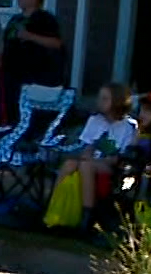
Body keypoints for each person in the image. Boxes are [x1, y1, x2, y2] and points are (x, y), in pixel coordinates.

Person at [54, 83, 135, 235]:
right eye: (100, 98)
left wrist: (94, 160)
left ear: (117, 101)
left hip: (113, 166)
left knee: (86, 166)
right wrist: (87, 154)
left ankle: (87, 217)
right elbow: (87, 147)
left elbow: (120, 157)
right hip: (92, 160)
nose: (100, 102)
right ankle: (56, 208)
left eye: (105, 99)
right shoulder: (95, 120)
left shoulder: (128, 126)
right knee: (69, 164)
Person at [0, 0, 64, 115]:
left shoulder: (45, 19)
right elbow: (4, 39)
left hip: (33, 74)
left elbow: (57, 43)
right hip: (10, 73)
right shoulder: (15, 19)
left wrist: (30, 36)